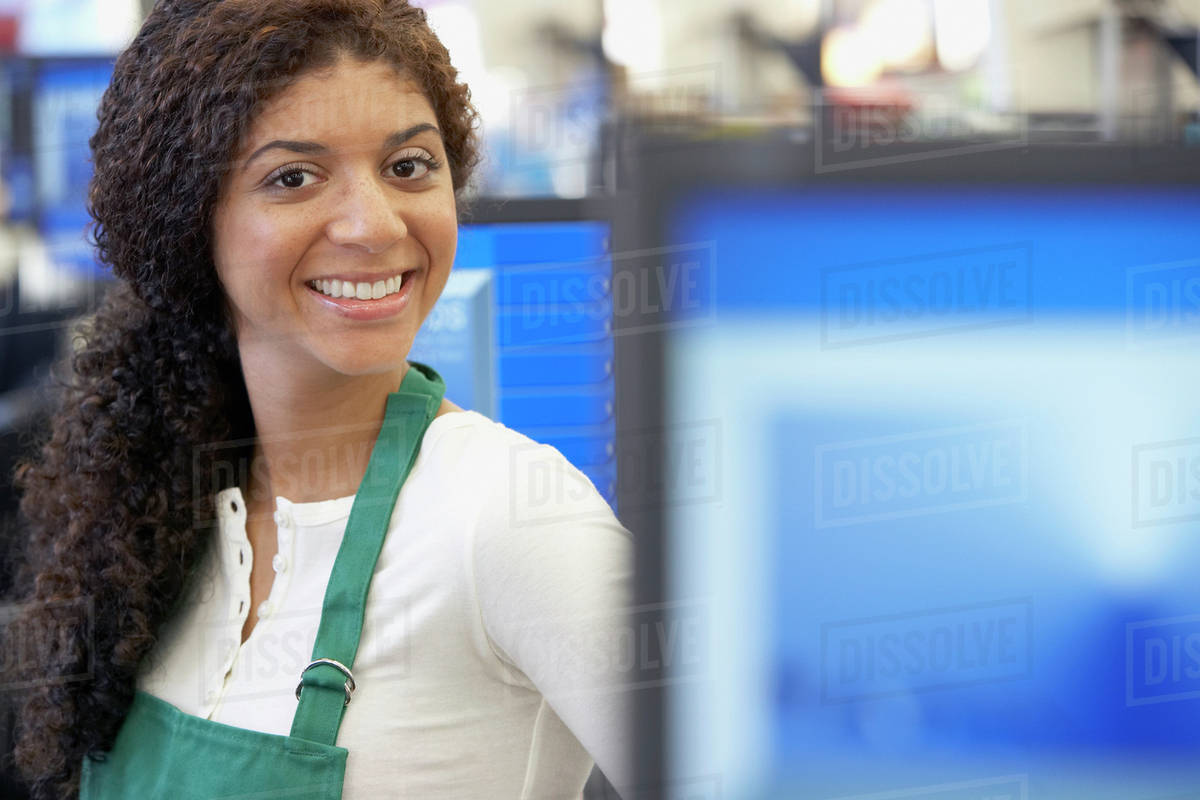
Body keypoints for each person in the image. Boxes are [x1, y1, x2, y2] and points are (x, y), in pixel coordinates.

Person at [6, 2, 633, 798]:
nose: (373, 225)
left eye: (408, 165)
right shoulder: (159, 512)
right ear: (191, 223)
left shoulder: (509, 517)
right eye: (293, 177)